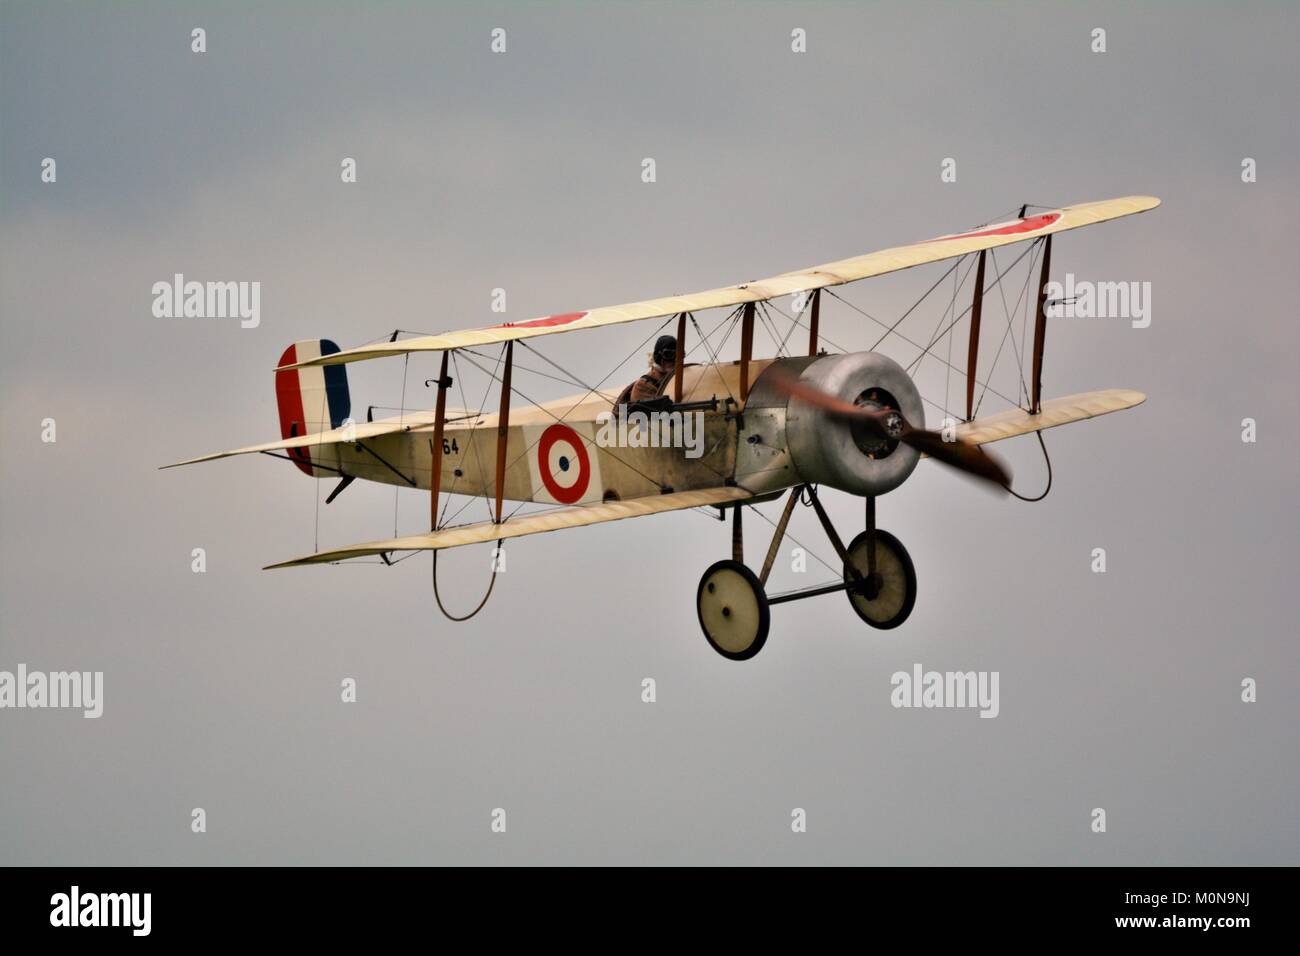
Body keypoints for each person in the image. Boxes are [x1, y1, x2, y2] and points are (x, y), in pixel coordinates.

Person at [613, 334, 677, 410]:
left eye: (679, 354)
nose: (674, 359)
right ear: (659, 357)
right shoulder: (642, 386)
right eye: (669, 354)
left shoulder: (680, 378)